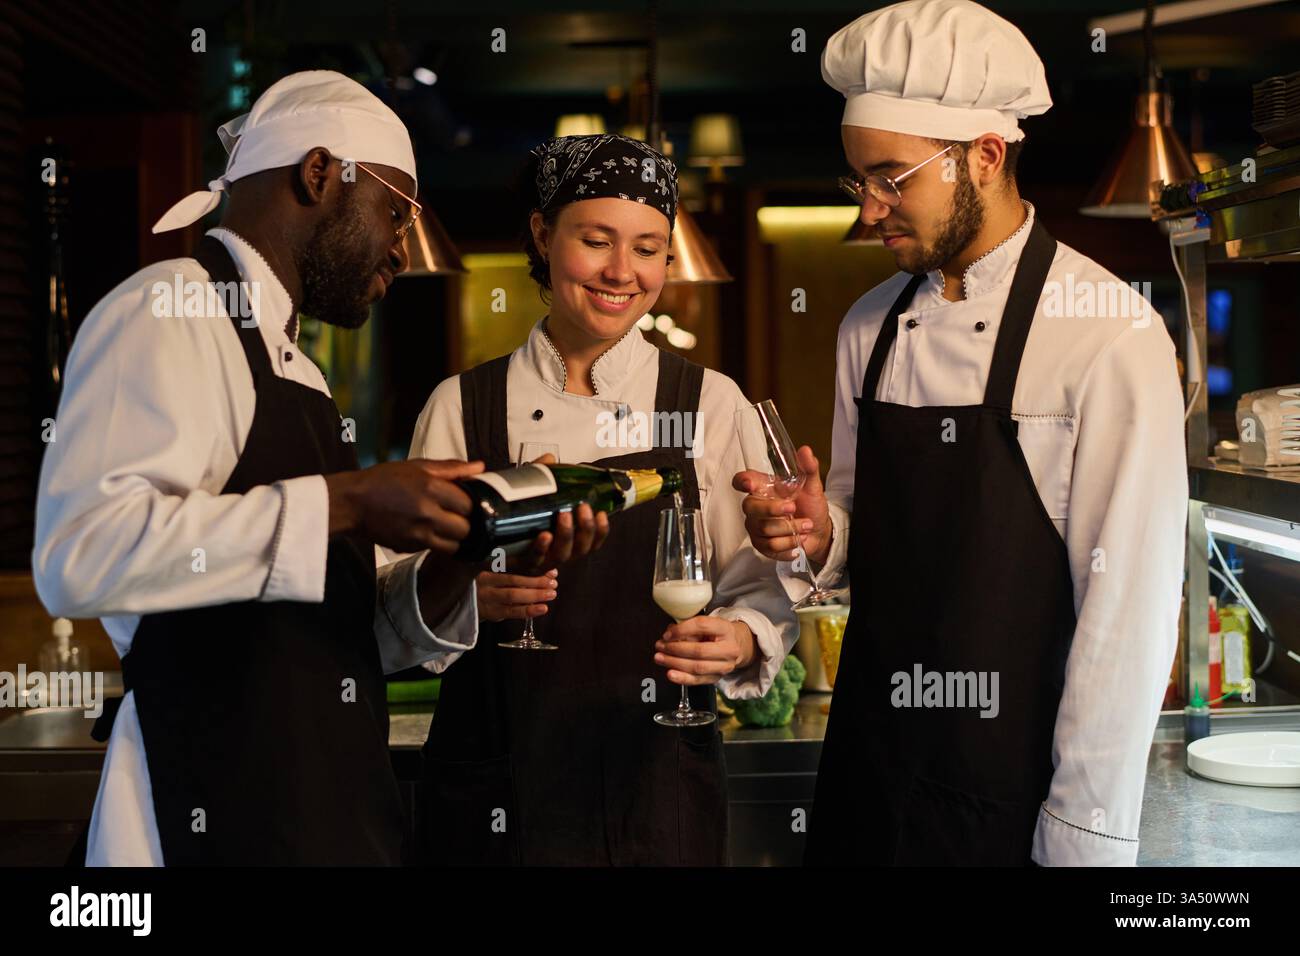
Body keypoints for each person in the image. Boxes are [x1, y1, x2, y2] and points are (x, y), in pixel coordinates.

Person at [31, 70, 598, 866]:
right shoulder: (170, 307)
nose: (402, 249)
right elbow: (79, 557)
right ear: (320, 172)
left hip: (322, 811)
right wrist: (348, 500)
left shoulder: (298, 369)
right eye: (396, 212)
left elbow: (338, 633)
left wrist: (462, 559)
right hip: (206, 804)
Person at [736, 0, 1187, 865]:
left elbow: (1125, 617)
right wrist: (816, 531)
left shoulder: (1109, 334)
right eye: (858, 181)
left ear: (985, 154)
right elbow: (865, 539)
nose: (869, 211)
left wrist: (1082, 840)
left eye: (890, 178)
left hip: (1012, 800)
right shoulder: (867, 327)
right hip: (867, 778)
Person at [408, 133, 797, 865]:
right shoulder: (461, 405)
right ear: (541, 235)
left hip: (656, 789)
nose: (624, 271)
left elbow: (761, 592)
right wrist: (464, 593)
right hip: (495, 794)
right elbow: (392, 602)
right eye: (596, 240)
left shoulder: (710, 402)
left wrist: (740, 636)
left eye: (649, 247)